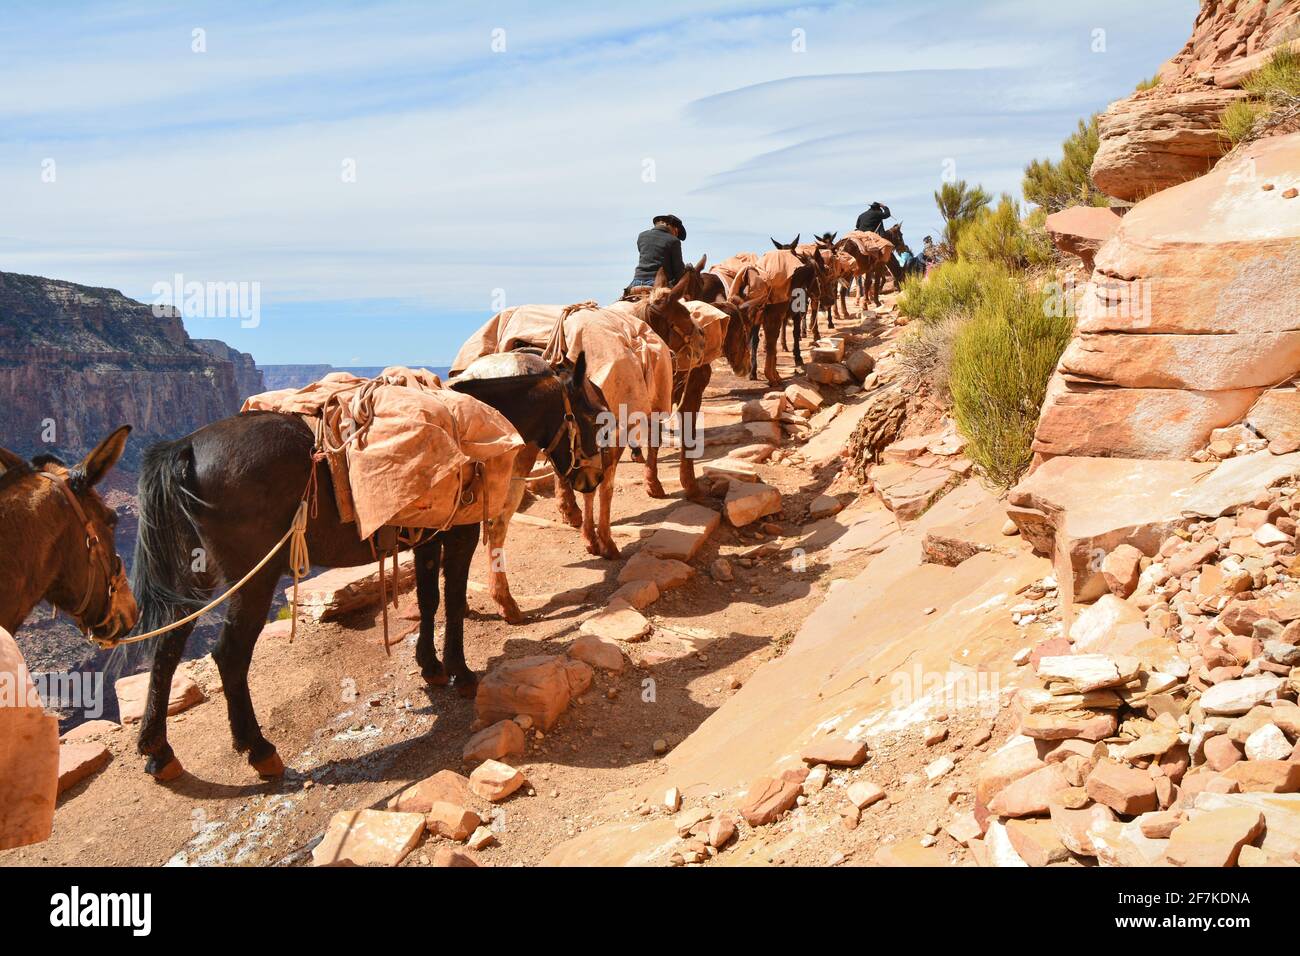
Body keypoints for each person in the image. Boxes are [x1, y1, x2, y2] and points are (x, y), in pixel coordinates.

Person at [628, 214, 687, 290]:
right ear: (673, 227)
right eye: (677, 232)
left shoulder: (642, 236)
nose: (676, 235)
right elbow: (678, 271)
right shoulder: (673, 240)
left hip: (636, 282)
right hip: (659, 284)